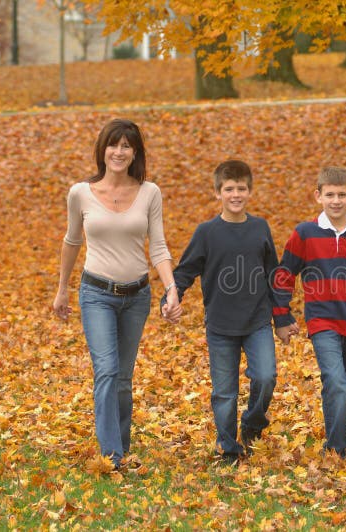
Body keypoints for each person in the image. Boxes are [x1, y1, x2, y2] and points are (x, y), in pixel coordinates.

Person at [53, 118, 180, 470]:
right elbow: (72, 241)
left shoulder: (150, 192)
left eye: (126, 145)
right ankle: (112, 457)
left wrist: (171, 289)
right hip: (96, 293)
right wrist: (62, 289)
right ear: (102, 150)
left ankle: (120, 444)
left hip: (137, 296)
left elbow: (158, 247)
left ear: (135, 151)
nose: (119, 152)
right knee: (107, 370)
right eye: (113, 144)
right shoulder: (81, 192)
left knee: (123, 378)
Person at [160, 160, 287, 464]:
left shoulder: (260, 227)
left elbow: (274, 274)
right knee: (224, 393)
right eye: (228, 189)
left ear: (250, 192)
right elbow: (185, 272)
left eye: (241, 188)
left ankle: (253, 423)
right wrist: (171, 297)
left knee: (266, 377)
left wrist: (282, 318)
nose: (235, 194)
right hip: (220, 325)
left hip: (257, 321)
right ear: (218, 193)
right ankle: (229, 448)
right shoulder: (207, 232)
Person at [272, 166, 346, 458]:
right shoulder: (305, 233)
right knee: (335, 381)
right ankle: (336, 450)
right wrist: (282, 315)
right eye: (329, 195)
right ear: (318, 196)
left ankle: (336, 439)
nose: (335, 200)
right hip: (322, 320)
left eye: (341, 195)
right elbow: (285, 274)